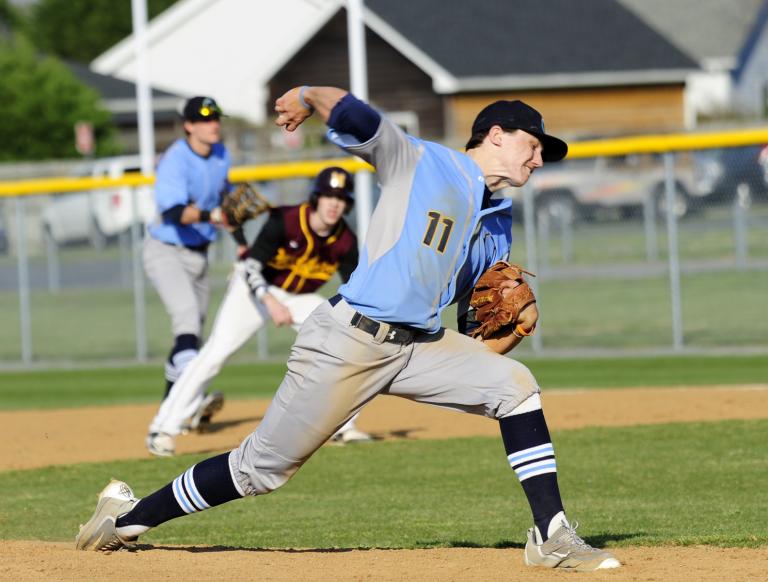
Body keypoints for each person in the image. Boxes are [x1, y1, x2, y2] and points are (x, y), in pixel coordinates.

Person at [76, 86, 621, 572]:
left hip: (420, 346)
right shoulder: (423, 162)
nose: (539, 158)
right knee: (260, 470)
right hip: (349, 340)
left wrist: (508, 329)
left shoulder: (498, 220)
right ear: (496, 135)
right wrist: (311, 95)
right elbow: (364, 120)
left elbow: (473, 328)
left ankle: (552, 536)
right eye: (534, 145)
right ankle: (126, 520)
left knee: (515, 386)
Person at [145, 166, 372, 457]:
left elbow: (354, 290)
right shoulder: (286, 220)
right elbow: (251, 266)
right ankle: (162, 429)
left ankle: (343, 425)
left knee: (343, 345)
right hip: (253, 289)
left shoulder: (345, 240)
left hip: (300, 297)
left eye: (341, 198)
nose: (334, 203)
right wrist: (269, 301)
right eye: (328, 195)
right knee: (216, 352)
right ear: (316, 198)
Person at [143, 96, 244, 424]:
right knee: (186, 319)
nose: (212, 124)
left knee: (190, 337)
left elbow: (226, 202)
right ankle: (195, 402)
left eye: (215, 117)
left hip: (199, 252)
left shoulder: (221, 154)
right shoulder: (176, 159)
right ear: (188, 125)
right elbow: (173, 212)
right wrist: (213, 213)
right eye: (203, 119)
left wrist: (242, 242)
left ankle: (168, 410)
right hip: (166, 250)